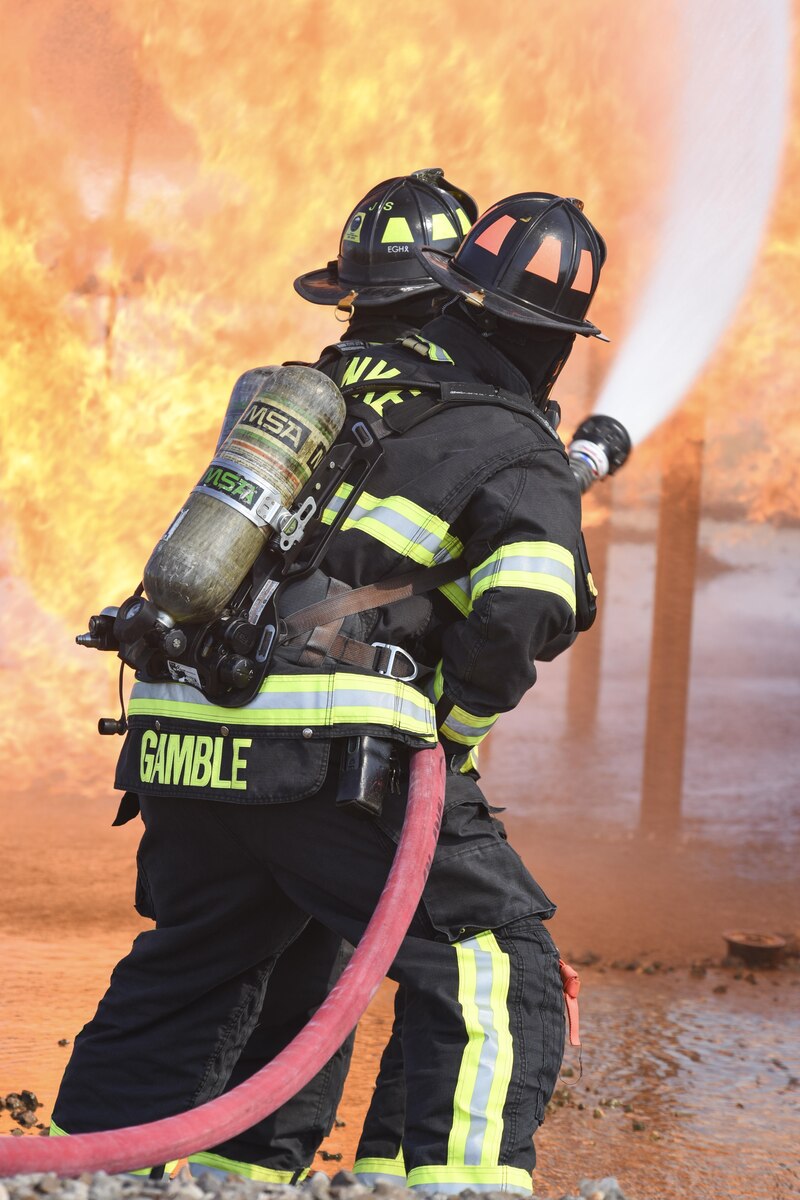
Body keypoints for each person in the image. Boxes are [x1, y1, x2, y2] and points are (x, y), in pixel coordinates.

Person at [52, 190, 605, 1195]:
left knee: (222, 961)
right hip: (322, 747)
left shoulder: (321, 399)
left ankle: (87, 1177)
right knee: (489, 958)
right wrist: (457, 731)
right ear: (551, 342)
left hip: (181, 731)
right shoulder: (509, 439)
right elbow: (527, 608)